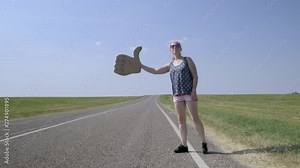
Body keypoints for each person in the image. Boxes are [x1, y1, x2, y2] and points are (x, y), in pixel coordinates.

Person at [141, 41, 208, 154]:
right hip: (177, 95)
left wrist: (194, 91)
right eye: (172, 46)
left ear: (180, 48)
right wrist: (141, 65)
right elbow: (155, 71)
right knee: (181, 121)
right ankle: (184, 145)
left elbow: (195, 76)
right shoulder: (170, 65)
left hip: (189, 94)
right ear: (170, 49)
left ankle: (204, 143)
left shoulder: (187, 60)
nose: (174, 47)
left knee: (195, 119)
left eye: (176, 45)